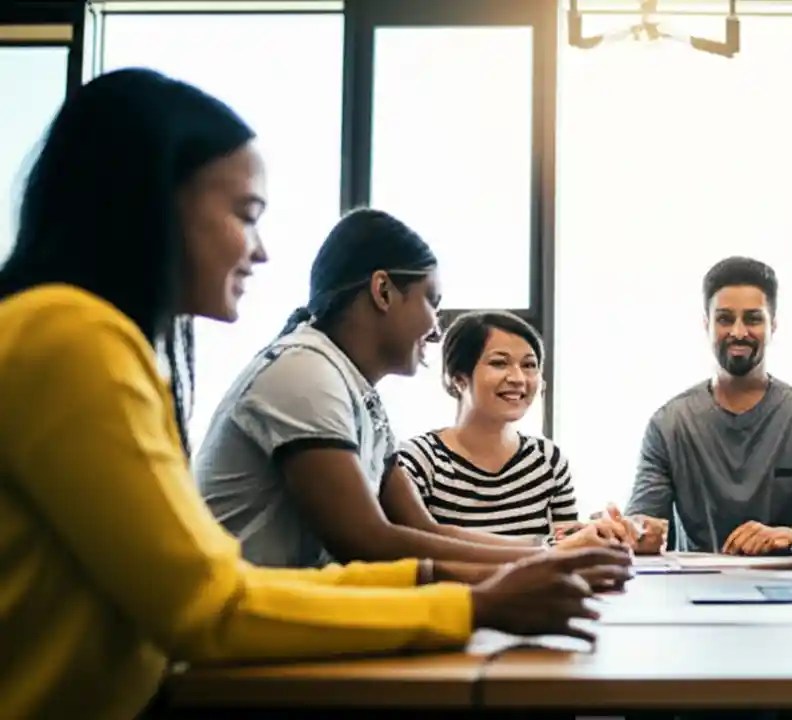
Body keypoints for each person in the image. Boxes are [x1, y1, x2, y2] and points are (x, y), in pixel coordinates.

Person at [0, 69, 629, 718]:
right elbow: (219, 603)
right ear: (153, 203)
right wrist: (477, 600)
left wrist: (529, 566)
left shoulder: (91, 337)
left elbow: (401, 537)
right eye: (246, 215)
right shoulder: (72, 337)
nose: (262, 252)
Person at [196, 210, 628, 575]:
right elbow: (368, 541)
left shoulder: (353, 388)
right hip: (238, 637)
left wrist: (551, 556)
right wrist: (543, 564)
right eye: (431, 303)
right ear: (383, 291)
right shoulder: (303, 372)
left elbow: (424, 531)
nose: (437, 330)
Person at [627, 256, 792, 554]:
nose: (739, 332)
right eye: (725, 319)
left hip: (784, 589)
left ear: (774, 325)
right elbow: (643, 524)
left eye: (753, 318)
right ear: (706, 325)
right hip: (691, 587)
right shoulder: (669, 424)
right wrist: (632, 532)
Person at [398, 310, 606, 543]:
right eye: (499, 363)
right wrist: (541, 551)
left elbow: (566, 548)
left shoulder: (548, 460)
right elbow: (413, 551)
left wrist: (601, 534)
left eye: (529, 365)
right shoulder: (420, 461)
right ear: (458, 378)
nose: (518, 378)